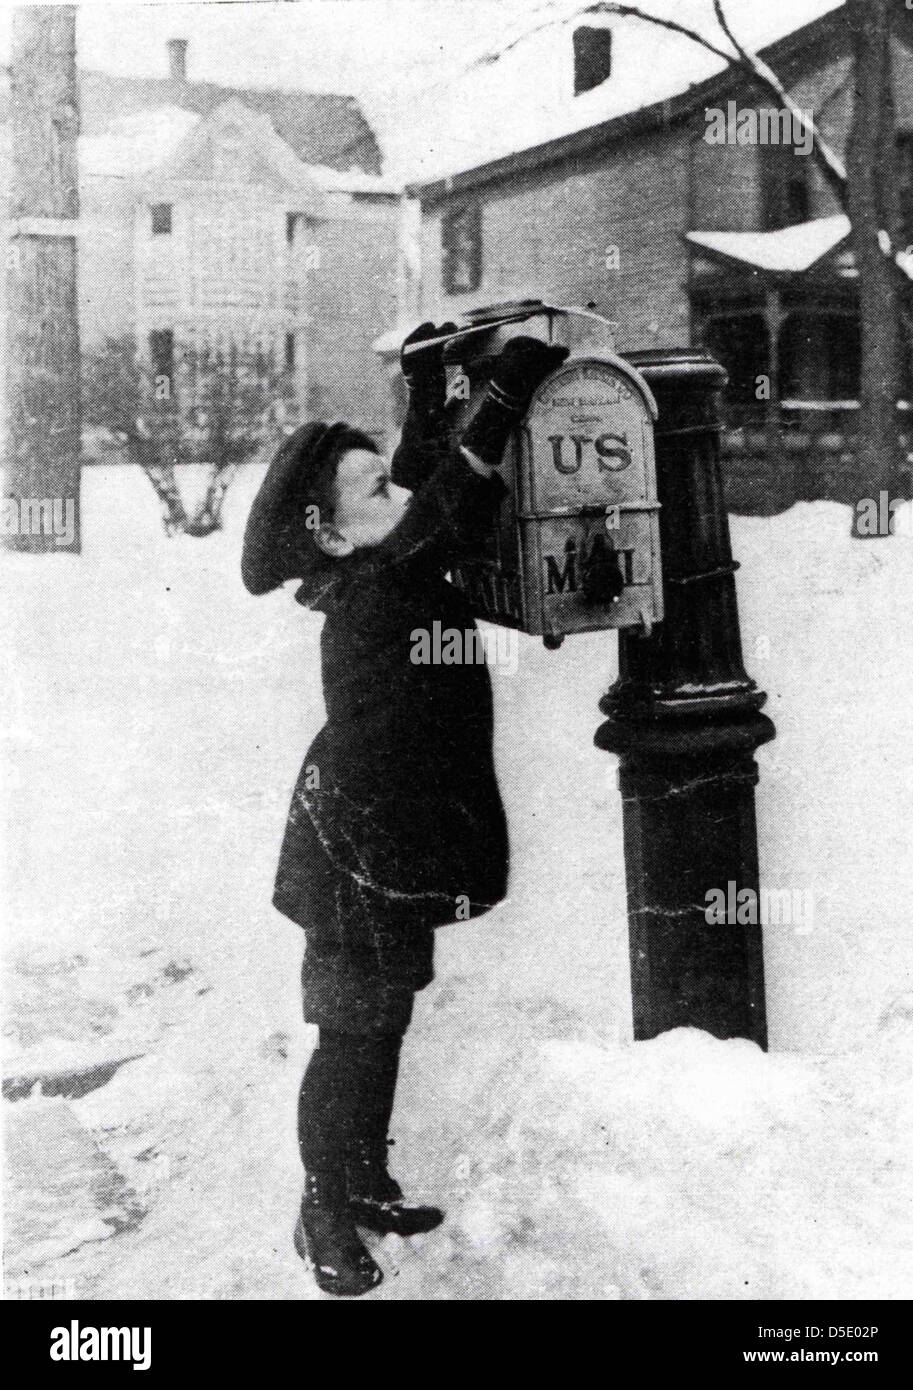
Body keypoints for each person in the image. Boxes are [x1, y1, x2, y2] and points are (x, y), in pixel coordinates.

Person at [242, 325, 567, 1295]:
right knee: (349, 1033)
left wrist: (427, 387)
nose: (396, 495)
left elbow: (420, 490)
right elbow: (440, 503)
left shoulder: (383, 561)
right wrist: (502, 390)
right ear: (331, 533)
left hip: (385, 833)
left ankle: (362, 1178)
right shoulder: (372, 588)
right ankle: (320, 1208)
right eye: (369, 491)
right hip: (355, 848)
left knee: (381, 1024)